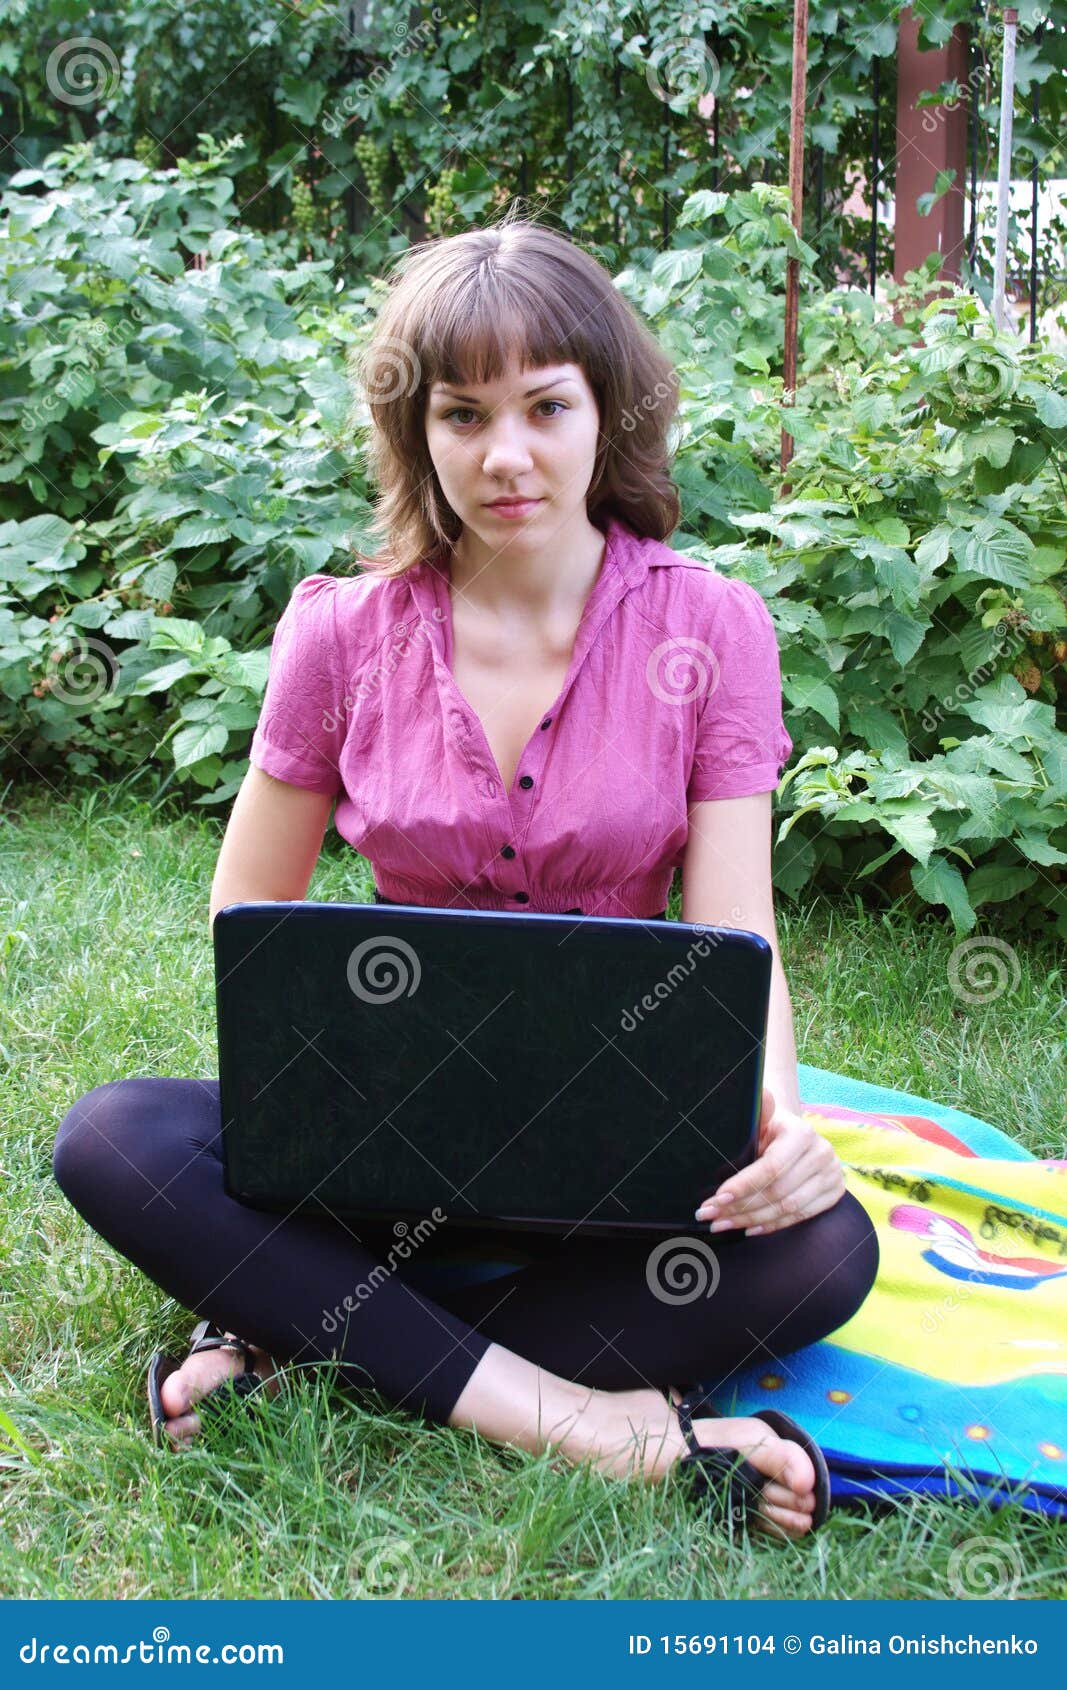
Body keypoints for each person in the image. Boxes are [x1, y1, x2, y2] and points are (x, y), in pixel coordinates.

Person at [52, 210, 879, 1542]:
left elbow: (737, 935)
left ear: (607, 411)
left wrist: (778, 1120)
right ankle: (598, 1422)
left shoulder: (713, 629)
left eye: (547, 406)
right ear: (417, 431)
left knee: (826, 1245)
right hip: (382, 1146)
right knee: (113, 1138)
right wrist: (324, 1075)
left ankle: (302, 1341)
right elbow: (246, 920)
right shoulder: (341, 632)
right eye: (463, 414)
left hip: (613, 1153)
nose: (506, 456)